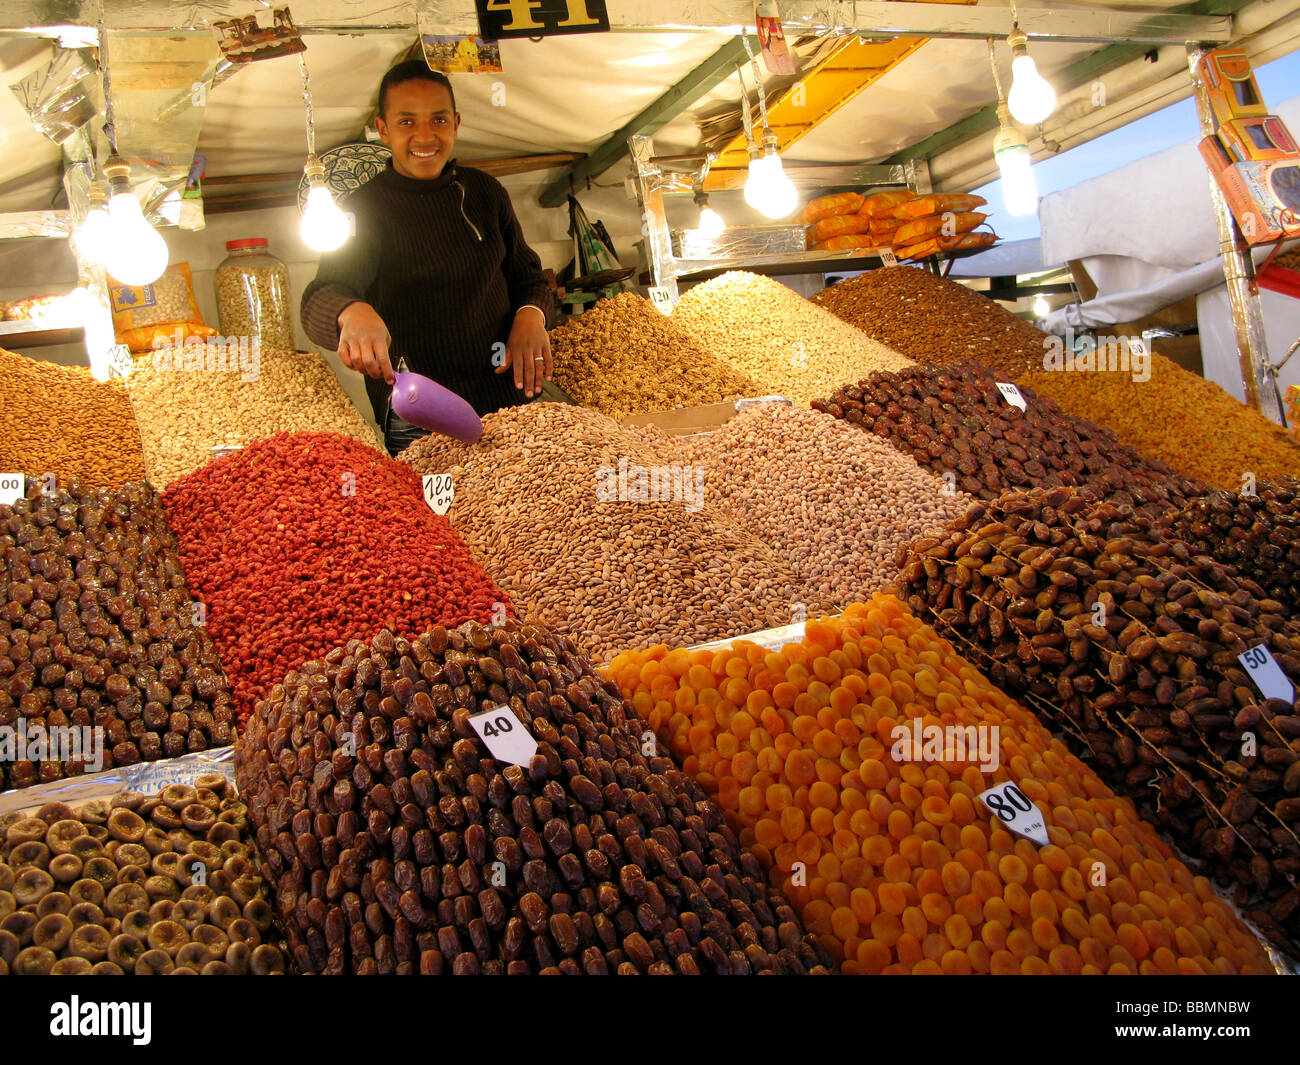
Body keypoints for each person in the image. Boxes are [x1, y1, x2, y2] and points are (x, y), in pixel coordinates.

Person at [301, 60, 553, 455]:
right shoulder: (362, 209)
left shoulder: (484, 192)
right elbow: (321, 295)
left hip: (506, 397)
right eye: (406, 122)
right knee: (437, 518)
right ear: (382, 128)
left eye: (437, 120)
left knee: (522, 513)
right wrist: (349, 310)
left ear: (456, 122)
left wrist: (531, 315)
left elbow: (530, 277)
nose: (425, 136)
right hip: (420, 413)